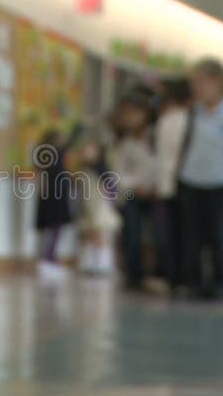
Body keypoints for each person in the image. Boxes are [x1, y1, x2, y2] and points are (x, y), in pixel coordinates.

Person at [177, 58, 223, 298]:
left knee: (219, 234)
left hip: (220, 179)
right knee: (192, 234)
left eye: (202, 82)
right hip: (191, 178)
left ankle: (221, 280)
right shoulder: (192, 112)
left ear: (218, 82)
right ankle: (193, 281)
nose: (198, 88)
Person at [111, 96, 157, 290]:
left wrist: (153, 186)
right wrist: (135, 186)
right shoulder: (124, 143)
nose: (130, 118)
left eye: (134, 113)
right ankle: (133, 275)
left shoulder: (156, 137)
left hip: (156, 192)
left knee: (156, 235)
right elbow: (118, 173)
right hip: (131, 194)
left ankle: (154, 272)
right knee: (132, 233)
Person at [153, 78, 191, 292]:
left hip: (166, 183)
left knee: (170, 232)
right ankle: (181, 277)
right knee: (182, 233)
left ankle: (171, 275)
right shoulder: (188, 120)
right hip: (184, 184)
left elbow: (161, 157)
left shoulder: (165, 121)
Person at [35, 126, 82, 278]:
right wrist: (77, 131)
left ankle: (49, 258)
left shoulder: (44, 156)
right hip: (55, 197)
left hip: (51, 196)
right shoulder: (54, 154)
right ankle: (48, 258)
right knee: (54, 230)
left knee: (52, 231)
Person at [76, 139, 122, 276]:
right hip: (89, 209)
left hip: (101, 209)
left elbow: (109, 193)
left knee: (102, 238)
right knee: (90, 237)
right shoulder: (84, 172)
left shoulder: (102, 173)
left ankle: (104, 264)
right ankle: (91, 263)